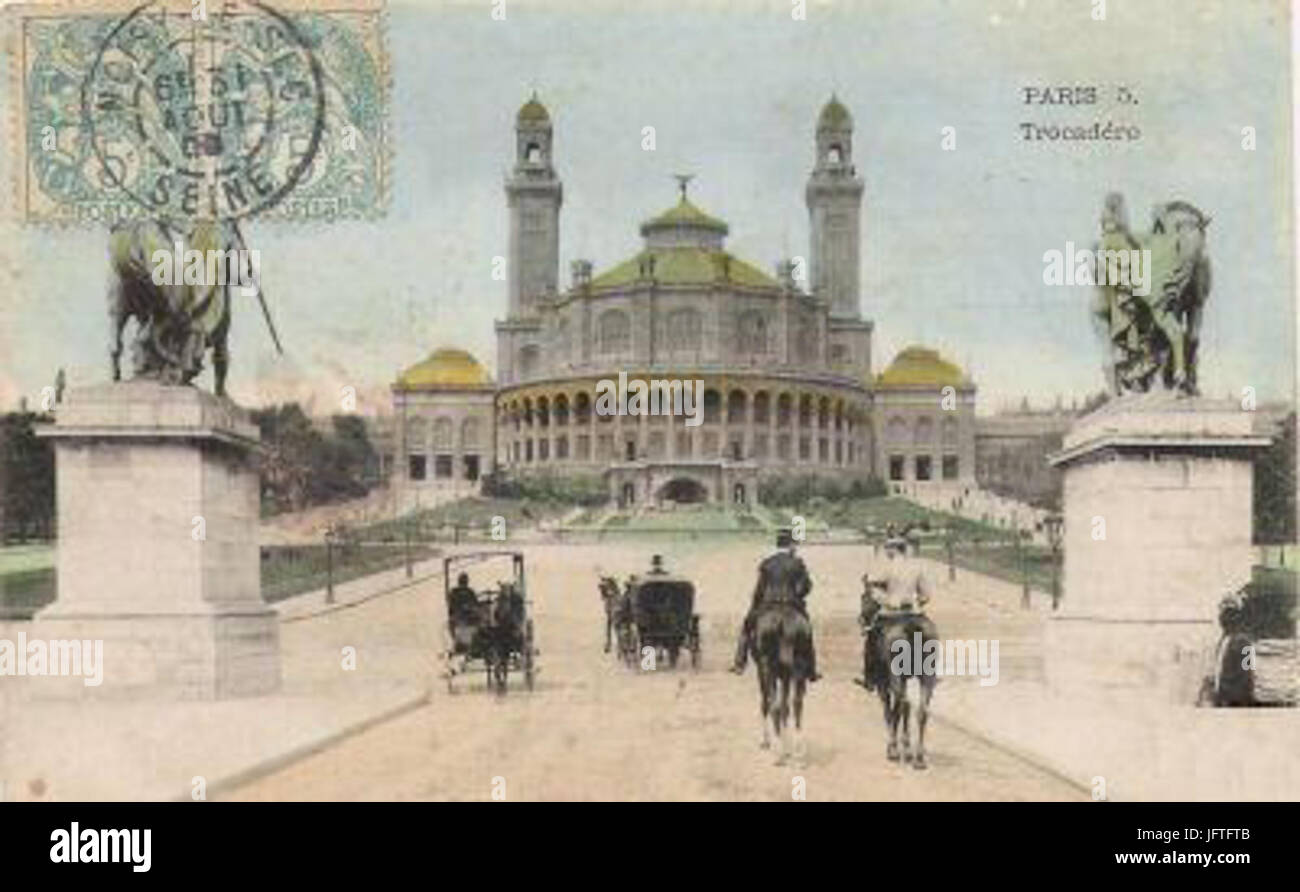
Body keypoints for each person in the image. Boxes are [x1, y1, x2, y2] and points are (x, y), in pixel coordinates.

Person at [730, 528, 819, 681]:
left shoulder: (767, 563)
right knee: (807, 632)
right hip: (792, 604)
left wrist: (754, 608)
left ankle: (740, 663)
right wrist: (798, 596)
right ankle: (811, 670)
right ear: (791, 545)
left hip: (768, 604)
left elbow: (759, 589)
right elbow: (806, 587)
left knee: (746, 628)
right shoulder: (797, 563)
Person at [857, 536, 932, 690]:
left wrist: (887, 600)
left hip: (890, 613)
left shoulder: (886, 567)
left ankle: (869, 677)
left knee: (871, 640)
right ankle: (928, 673)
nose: (887, 552)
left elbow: (873, 589)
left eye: (888, 549)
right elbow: (926, 595)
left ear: (893, 550)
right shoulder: (916, 567)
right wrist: (917, 602)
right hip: (913, 612)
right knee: (927, 637)